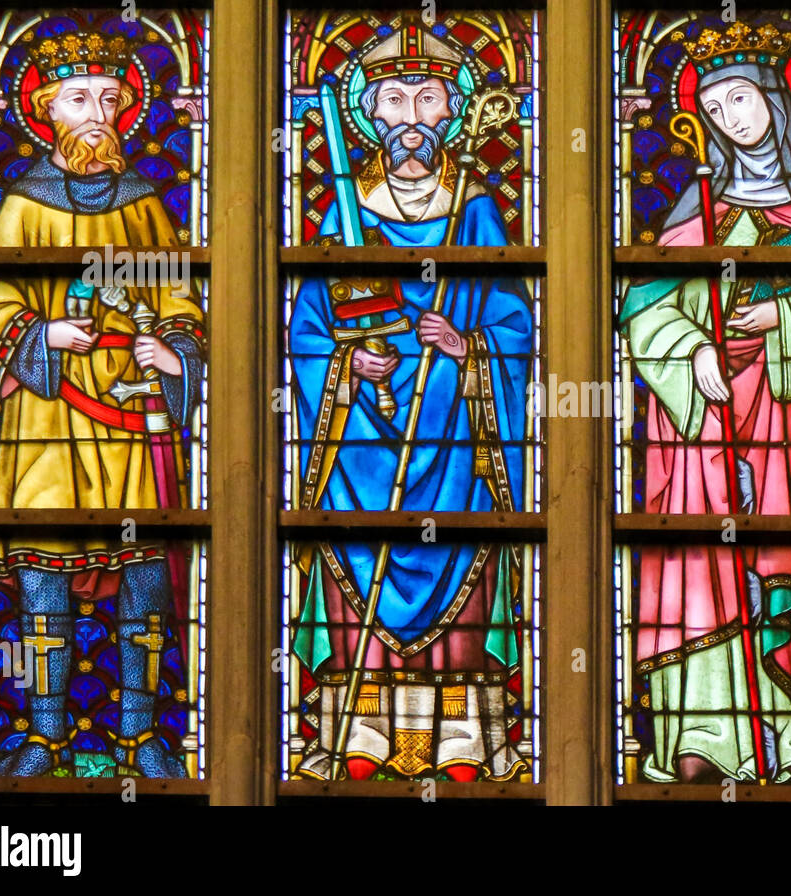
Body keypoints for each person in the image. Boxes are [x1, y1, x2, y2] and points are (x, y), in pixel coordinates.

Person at [619, 22, 791, 784]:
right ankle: (700, 731)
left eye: (742, 99)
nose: (732, 117)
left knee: (785, 561)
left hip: (786, 431)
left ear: (775, 102)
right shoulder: (692, 216)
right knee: (702, 555)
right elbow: (645, 309)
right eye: (717, 108)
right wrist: (692, 349)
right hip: (701, 430)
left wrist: (783, 315)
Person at [289, 24, 532, 782]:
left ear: (452, 113)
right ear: (368, 114)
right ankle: (359, 736)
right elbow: (307, 326)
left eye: (428, 99)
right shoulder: (341, 216)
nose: (411, 118)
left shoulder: (478, 212)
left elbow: (516, 323)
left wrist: (470, 349)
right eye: (393, 100)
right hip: (359, 438)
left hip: (454, 431)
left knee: (456, 565)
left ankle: (460, 742)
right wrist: (345, 362)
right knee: (357, 567)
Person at [0, 31, 204, 777]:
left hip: (134, 420)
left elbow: (180, 297)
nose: (98, 114)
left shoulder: (144, 208)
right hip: (45, 423)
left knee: (141, 577)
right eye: (80, 99)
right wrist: (43, 333)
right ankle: (46, 735)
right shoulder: (19, 206)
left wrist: (173, 351)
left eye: (110, 100)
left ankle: (141, 734)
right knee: (45, 583)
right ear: (46, 112)